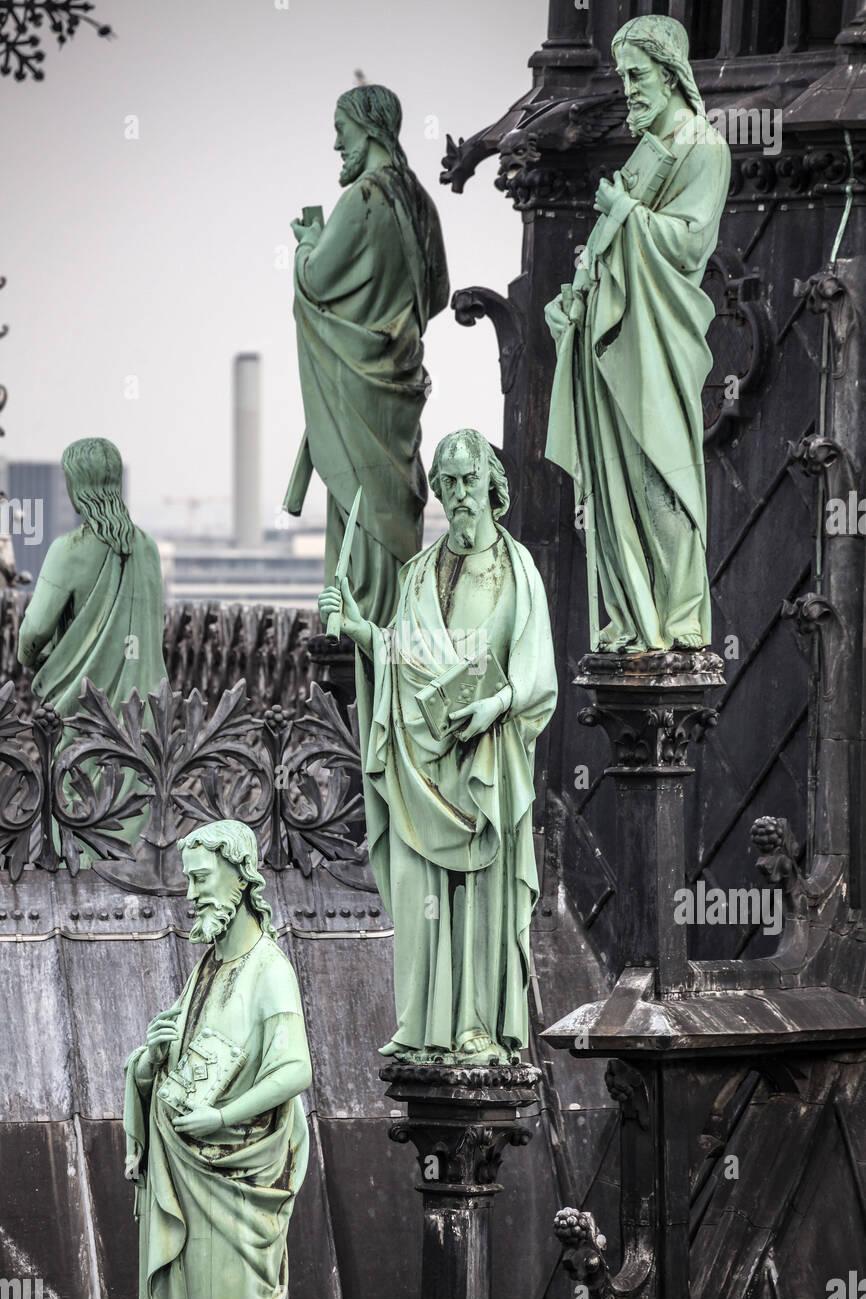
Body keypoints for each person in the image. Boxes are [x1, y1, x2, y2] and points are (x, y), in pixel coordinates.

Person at [319, 429, 557, 1064]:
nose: (456, 495)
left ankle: (477, 1025)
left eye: (467, 480)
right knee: (421, 889)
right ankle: (426, 1025)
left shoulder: (519, 569)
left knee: (480, 894)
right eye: (446, 483)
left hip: (487, 763)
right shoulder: (418, 573)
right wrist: (355, 629)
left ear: (491, 484)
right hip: (425, 763)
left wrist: (493, 707)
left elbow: (539, 678)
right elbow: (402, 658)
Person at [545, 15, 730, 653]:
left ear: (671, 73)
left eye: (637, 74)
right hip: (612, 342)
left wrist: (625, 212)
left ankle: (677, 619)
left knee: (661, 475)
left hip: (657, 339)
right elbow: (602, 257)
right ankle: (632, 612)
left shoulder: (702, 145)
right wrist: (572, 307)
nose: (626, 88)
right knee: (615, 484)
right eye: (622, 75)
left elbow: (689, 243)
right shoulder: (645, 150)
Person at [123, 819, 311, 1299]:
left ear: (241, 876)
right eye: (188, 879)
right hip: (185, 1173)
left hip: (235, 1189)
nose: (190, 894)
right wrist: (149, 1062)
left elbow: (295, 1069)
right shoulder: (208, 964)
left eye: (200, 878)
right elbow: (180, 1067)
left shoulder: (270, 969)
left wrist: (221, 1117)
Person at [289, 83, 450, 628]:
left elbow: (315, 278)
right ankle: (393, 620)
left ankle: (359, 625)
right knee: (390, 499)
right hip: (399, 374)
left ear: (369, 128)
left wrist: (308, 240)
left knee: (354, 497)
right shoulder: (421, 204)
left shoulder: (363, 198)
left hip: (356, 385)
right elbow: (441, 293)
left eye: (341, 130)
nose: (337, 145)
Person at [17, 436, 166, 736]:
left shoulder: (68, 549)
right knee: (142, 781)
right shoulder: (148, 547)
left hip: (81, 711)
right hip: (144, 714)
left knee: (77, 780)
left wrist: (28, 659)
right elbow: (155, 623)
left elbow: (34, 629)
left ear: (78, 486)